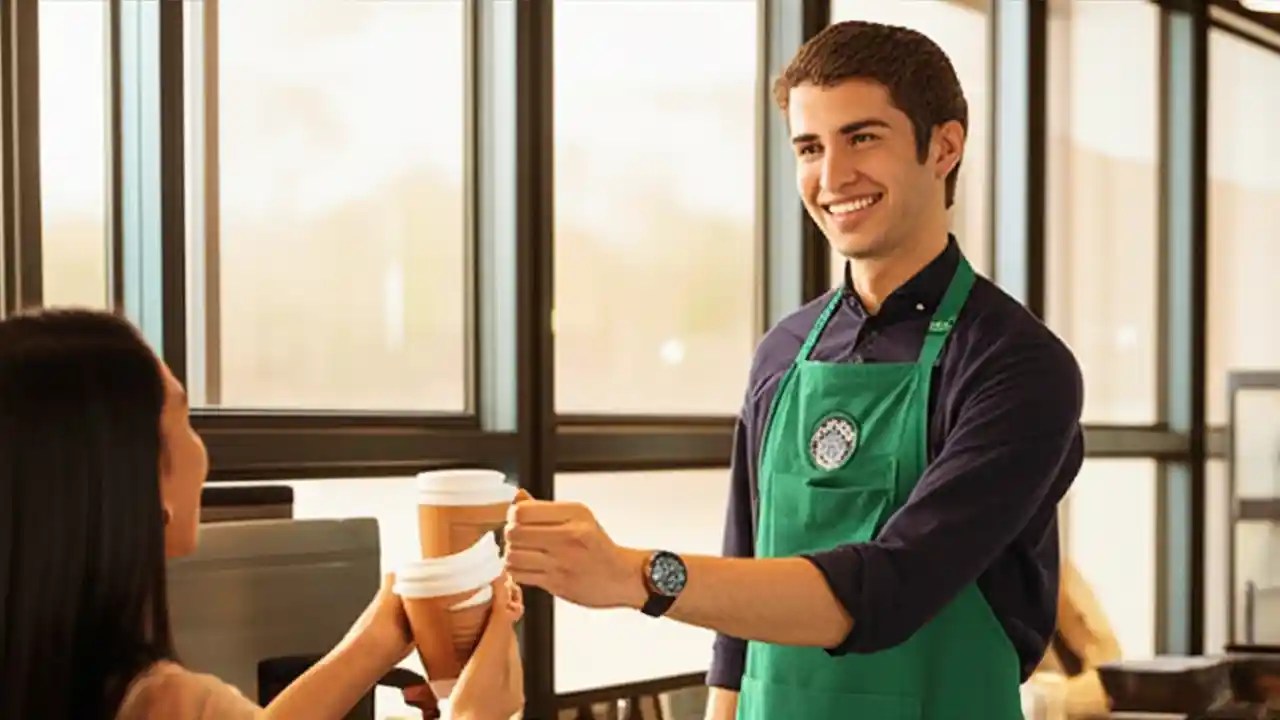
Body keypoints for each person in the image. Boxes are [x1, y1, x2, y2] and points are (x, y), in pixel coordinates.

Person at [504, 20, 1084, 720]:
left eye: (863, 137)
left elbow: (892, 586)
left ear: (944, 146)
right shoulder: (783, 351)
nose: (833, 177)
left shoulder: (1016, 366)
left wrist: (636, 575)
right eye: (810, 147)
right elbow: (741, 598)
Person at [0, 308, 524, 720]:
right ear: (133, 479)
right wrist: (477, 714)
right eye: (183, 419)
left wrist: (373, 644)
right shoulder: (161, 703)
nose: (201, 450)